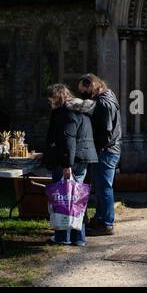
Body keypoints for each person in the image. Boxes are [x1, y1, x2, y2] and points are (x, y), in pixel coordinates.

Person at [67, 73, 122, 236]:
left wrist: (95, 148)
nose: (83, 94)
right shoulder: (106, 97)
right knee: (100, 187)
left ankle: (106, 223)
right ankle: (100, 218)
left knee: (104, 187)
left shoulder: (104, 103)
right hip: (108, 150)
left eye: (84, 90)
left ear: (93, 86)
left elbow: (105, 132)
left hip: (106, 151)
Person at [44, 82, 96, 246]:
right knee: (76, 198)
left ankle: (62, 237)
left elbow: (68, 140)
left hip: (69, 160)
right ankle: (78, 237)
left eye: (51, 97)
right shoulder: (79, 109)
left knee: (63, 197)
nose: (49, 101)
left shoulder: (66, 112)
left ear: (57, 96)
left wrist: (67, 165)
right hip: (82, 158)